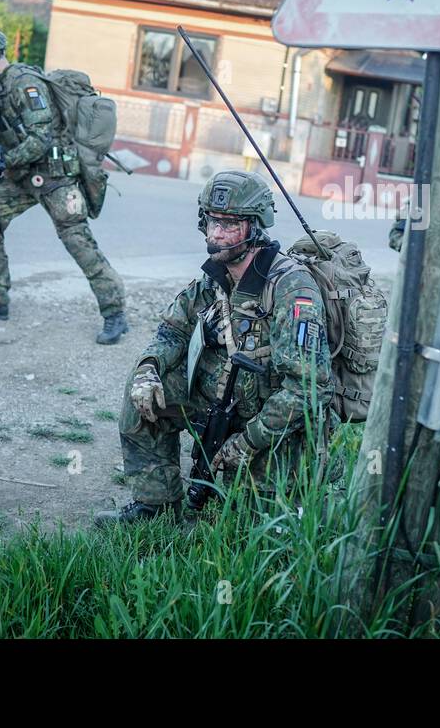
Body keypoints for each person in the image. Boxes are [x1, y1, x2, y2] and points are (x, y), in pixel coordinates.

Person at [97, 171, 335, 524]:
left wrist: (247, 442)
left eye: (230, 224)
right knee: (143, 390)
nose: (217, 234)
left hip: (273, 421)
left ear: (255, 227)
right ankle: (156, 506)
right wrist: (148, 369)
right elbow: (172, 331)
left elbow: (307, 387)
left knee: (260, 530)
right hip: (218, 400)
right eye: (212, 222)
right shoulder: (216, 277)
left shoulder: (292, 289)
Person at [0, 24, 127, 344]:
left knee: (77, 240)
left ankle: (114, 312)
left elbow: (41, 138)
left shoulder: (25, 84)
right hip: (23, 176)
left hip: (55, 176)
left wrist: (6, 162)